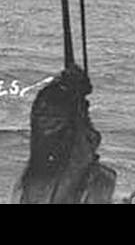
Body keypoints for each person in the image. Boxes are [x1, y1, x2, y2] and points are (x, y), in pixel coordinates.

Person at [13, 63, 116, 204]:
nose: (44, 127)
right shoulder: (32, 178)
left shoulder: (98, 180)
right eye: (40, 116)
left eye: (54, 118)